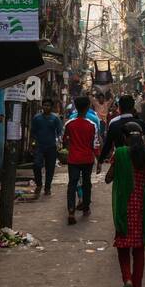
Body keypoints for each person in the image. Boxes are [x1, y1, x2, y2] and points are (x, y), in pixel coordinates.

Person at [104, 121, 145, 287]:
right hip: (143, 206)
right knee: (138, 251)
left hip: (124, 207)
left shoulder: (120, 154)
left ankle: (127, 280)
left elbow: (108, 178)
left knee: (123, 248)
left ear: (126, 138)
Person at [63, 95, 98, 225]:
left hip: (73, 159)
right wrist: (99, 160)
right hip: (87, 158)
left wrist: (71, 148)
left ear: (76, 107)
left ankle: (71, 211)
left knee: (72, 184)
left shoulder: (69, 124)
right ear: (88, 107)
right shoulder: (92, 124)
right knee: (87, 183)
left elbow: (65, 141)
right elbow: (95, 144)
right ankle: (86, 208)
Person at [99, 94, 145, 165]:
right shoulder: (139, 122)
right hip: (136, 161)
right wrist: (136, 117)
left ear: (120, 108)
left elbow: (107, 145)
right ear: (133, 108)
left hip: (120, 160)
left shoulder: (114, 124)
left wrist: (100, 161)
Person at [30, 97, 64, 197]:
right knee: (36, 165)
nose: (46, 107)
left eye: (48, 105)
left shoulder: (55, 118)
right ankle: (39, 184)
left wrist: (59, 143)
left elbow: (59, 132)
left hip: (51, 147)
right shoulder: (37, 118)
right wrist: (31, 145)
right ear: (42, 106)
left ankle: (47, 187)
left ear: (51, 107)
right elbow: (33, 132)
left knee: (50, 168)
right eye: (45, 105)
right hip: (39, 146)